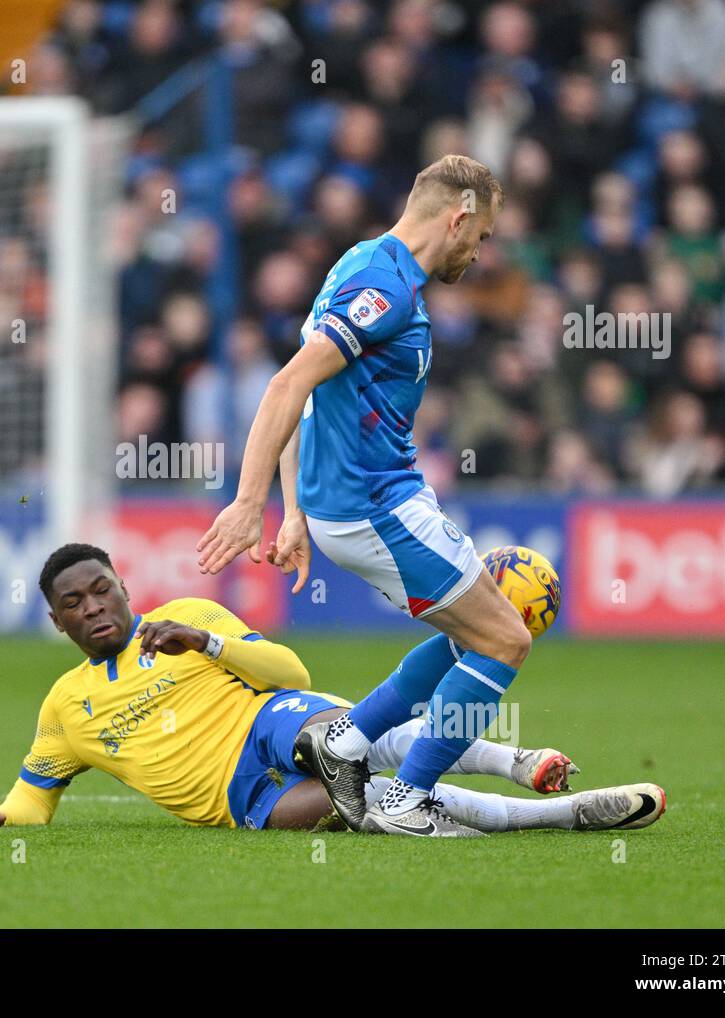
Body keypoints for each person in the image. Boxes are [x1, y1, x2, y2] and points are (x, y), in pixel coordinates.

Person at [196, 155, 542, 836]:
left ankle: (348, 742)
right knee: (506, 639)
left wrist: (294, 511)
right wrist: (250, 501)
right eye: (484, 234)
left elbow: (311, 397)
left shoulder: (360, 263)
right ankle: (405, 795)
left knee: (469, 633)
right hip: (376, 508)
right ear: (459, 216)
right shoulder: (383, 291)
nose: (481, 251)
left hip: (355, 505)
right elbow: (286, 386)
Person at [0, 544, 666, 836]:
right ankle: (561, 815)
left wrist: (210, 644)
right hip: (239, 801)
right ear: (57, 618)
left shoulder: (186, 617)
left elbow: (293, 675)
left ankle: (515, 761)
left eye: (102, 590)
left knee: (344, 742)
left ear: (125, 588)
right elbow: (35, 801)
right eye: (75, 602)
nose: (93, 607)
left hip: (268, 722)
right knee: (373, 808)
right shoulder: (65, 707)